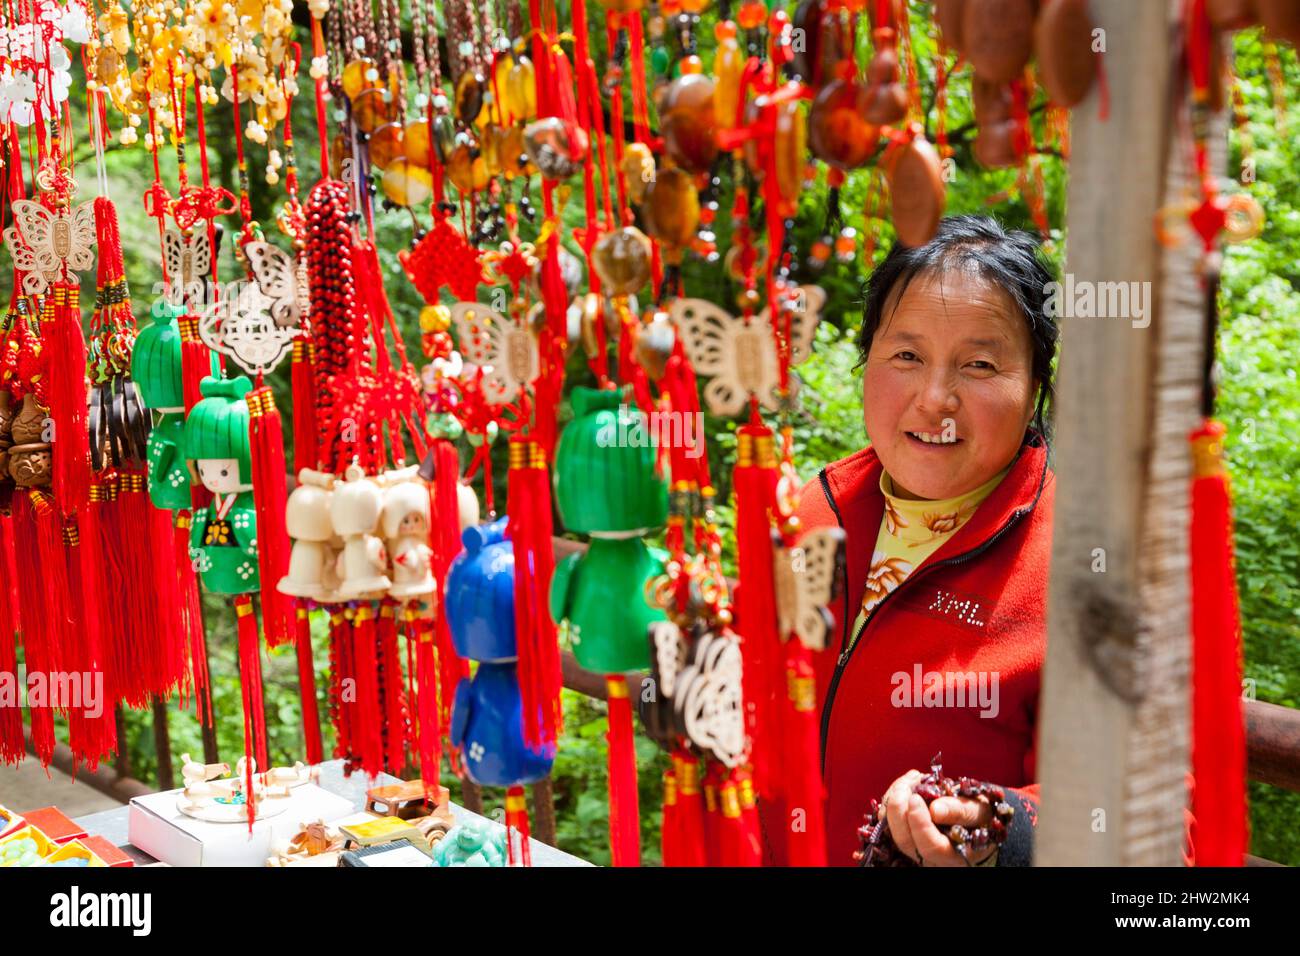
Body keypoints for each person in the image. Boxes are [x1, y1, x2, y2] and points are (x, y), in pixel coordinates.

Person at [796, 215, 1059, 865]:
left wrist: (1000, 833)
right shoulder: (815, 510)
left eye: (979, 364)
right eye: (907, 355)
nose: (935, 398)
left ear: (1033, 392)